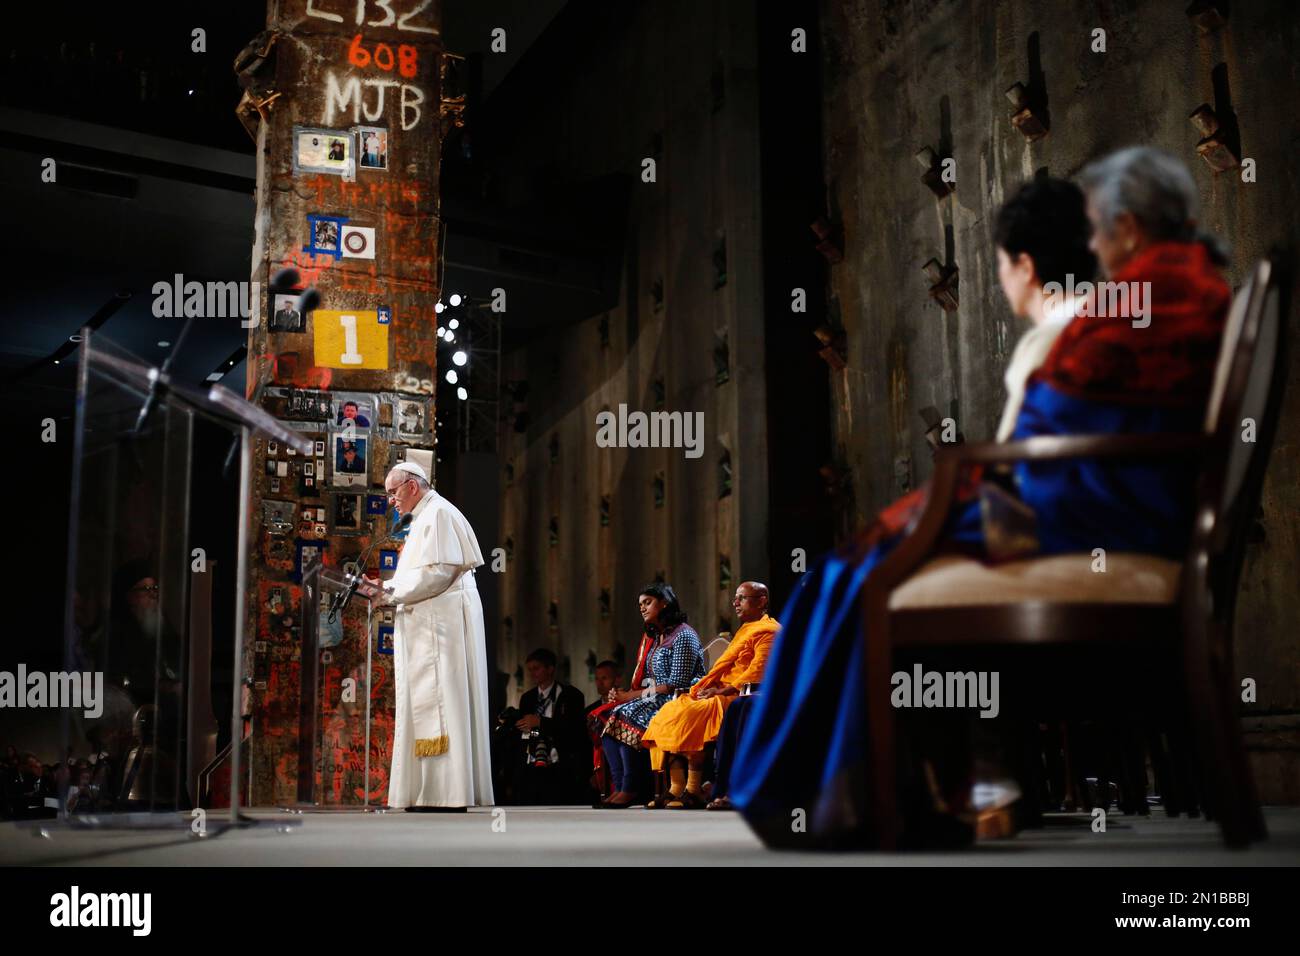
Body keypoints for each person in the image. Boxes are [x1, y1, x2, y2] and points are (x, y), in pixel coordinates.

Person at [730, 149, 1231, 849]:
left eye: (1002, 264)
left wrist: (958, 498)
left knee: (856, 574)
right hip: (1133, 525)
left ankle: (840, 792)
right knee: (882, 561)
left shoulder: (1096, 321)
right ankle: (928, 786)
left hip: (1088, 532)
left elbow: (1043, 461)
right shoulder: (1153, 305)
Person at [364, 462, 494, 809]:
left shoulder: (437, 514)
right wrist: (387, 589)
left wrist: (389, 590)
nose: (390, 499)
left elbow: (439, 573)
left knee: (443, 700)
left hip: (444, 623)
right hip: (432, 620)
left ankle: (447, 792)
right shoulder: (423, 517)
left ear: (412, 486)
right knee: (432, 702)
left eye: (393, 492)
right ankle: (429, 790)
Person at [642, 582, 780, 809]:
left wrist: (720, 690)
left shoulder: (768, 631)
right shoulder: (745, 629)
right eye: (735, 598)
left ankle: (694, 789)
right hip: (720, 690)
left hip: (738, 693)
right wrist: (707, 688)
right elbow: (724, 668)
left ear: (762, 601)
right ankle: (677, 788)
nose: (735, 603)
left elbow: (756, 671)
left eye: (742, 598)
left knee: (692, 714)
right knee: (671, 710)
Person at [595, 584, 704, 808]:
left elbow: (677, 683)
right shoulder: (656, 638)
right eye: (640, 605)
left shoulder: (684, 634)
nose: (643, 608)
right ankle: (619, 787)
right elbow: (649, 680)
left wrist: (631, 696)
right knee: (607, 716)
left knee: (626, 714)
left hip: (681, 698)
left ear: (664, 603)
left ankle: (630, 789)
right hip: (656, 697)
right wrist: (623, 693)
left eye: (647, 602)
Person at [511, 648, 589, 803]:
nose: (533, 673)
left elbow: (574, 730)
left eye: (537, 668)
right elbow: (527, 732)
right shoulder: (527, 698)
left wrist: (541, 722)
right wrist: (530, 730)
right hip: (532, 761)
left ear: (550, 669)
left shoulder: (571, 695)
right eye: (530, 669)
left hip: (561, 763)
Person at [585, 660, 623, 801]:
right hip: (598, 766)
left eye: (604, 678)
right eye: (597, 679)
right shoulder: (590, 711)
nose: (599, 683)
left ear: (617, 679)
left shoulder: (627, 706)